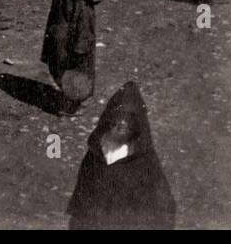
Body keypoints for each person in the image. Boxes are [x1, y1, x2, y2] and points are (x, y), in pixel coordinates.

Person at [67, 81, 176, 230]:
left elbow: (163, 210)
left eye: (127, 122)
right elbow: (81, 202)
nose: (120, 125)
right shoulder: (95, 153)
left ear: (136, 126)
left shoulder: (145, 162)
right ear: (109, 119)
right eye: (117, 119)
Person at [41, 0, 101, 114]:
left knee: (68, 63)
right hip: (73, 27)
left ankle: (71, 104)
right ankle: (75, 100)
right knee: (77, 65)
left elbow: (78, 16)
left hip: (71, 30)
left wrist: (76, 38)